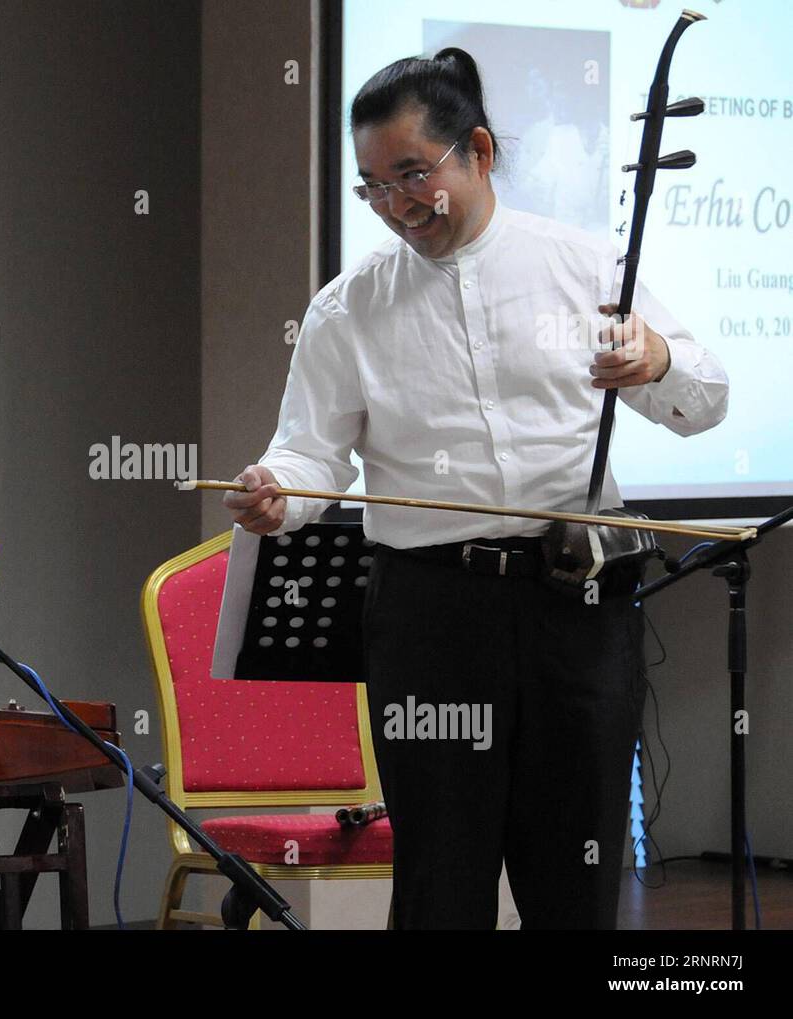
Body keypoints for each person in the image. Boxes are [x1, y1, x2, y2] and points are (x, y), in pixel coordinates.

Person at [223, 48, 728, 929]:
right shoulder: (349, 309)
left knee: (576, 876)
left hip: (578, 603)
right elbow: (308, 457)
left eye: (412, 174)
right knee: (441, 879)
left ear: (480, 152)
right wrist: (277, 492)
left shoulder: (581, 266)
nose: (394, 206)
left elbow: (705, 401)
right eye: (371, 187)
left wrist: (659, 360)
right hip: (432, 618)